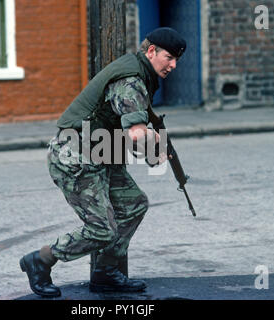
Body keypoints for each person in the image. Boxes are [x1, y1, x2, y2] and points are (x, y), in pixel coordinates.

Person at [19, 27, 187, 297]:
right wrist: (155, 141)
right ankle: (40, 260)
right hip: (75, 156)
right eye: (169, 57)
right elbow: (136, 132)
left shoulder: (141, 75)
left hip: (101, 153)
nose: (174, 65)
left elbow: (129, 134)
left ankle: (106, 271)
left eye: (177, 60)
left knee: (134, 205)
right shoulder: (131, 80)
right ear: (151, 50)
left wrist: (152, 151)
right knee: (102, 230)